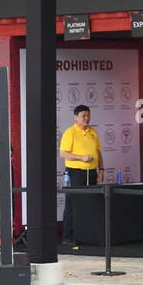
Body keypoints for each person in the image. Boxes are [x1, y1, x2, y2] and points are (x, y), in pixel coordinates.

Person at [59, 104, 101, 250]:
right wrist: (80, 158)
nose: (86, 118)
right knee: (72, 204)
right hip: (75, 172)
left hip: (91, 172)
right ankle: (68, 237)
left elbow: (98, 152)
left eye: (88, 115)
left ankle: (86, 235)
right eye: (83, 116)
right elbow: (63, 153)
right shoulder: (70, 132)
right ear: (76, 117)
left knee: (89, 204)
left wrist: (101, 168)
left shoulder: (93, 132)